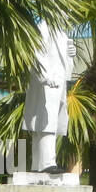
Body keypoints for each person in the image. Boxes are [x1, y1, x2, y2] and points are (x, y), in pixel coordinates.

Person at [23, 19, 74, 173]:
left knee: (48, 122)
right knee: (45, 123)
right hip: (46, 84)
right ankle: (46, 163)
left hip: (58, 84)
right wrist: (45, 77)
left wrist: (70, 55)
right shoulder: (43, 27)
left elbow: (66, 64)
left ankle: (37, 165)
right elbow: (37, 53)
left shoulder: (63, 34)